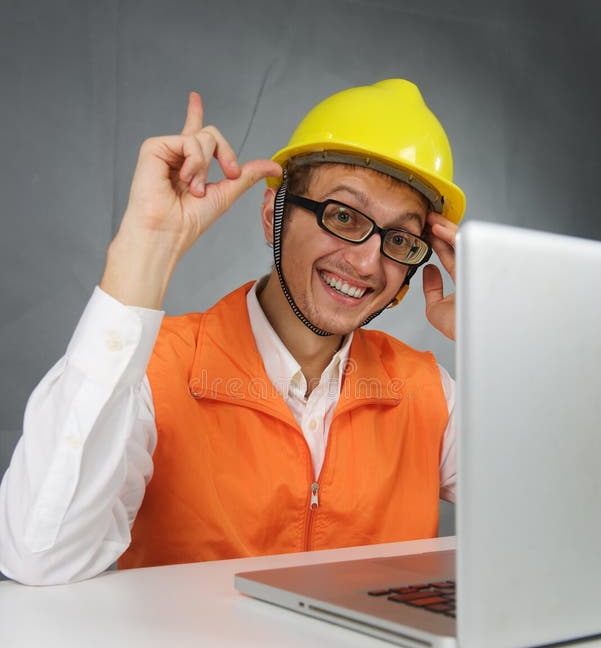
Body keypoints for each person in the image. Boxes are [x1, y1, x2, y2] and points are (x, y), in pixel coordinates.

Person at [0, 79, 464, 585]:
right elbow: (40, 556)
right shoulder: (153, 373)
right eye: (343, 216)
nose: (368, 262)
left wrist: (498, 339)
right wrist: (145, 248)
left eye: (399, 239)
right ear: (273, 215)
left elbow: (534, 526)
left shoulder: (430, 395)